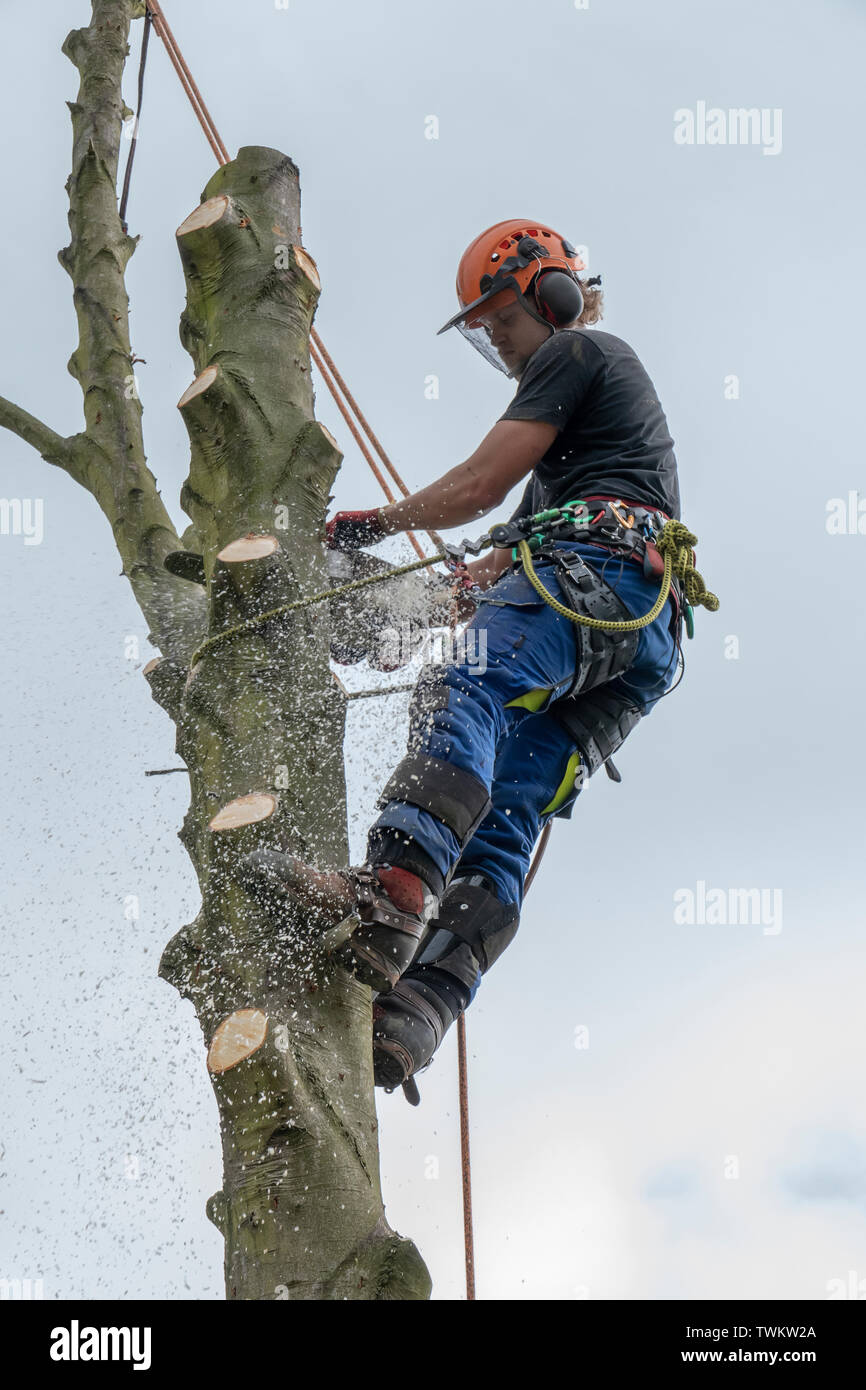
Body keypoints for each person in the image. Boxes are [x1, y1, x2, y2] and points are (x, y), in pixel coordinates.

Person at [234, 220, 684, 1100]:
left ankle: (392, 890)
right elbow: (517, 524)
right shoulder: (582, 445)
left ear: (550, 293)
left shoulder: (577, 348)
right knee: (508, 808)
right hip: (642, 633)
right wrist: (475, 578)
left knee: (462, 680)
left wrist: (377, 523)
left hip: (601, 575)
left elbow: (479, 483)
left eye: (501, 319)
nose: (497, 340)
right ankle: (417, 1010)